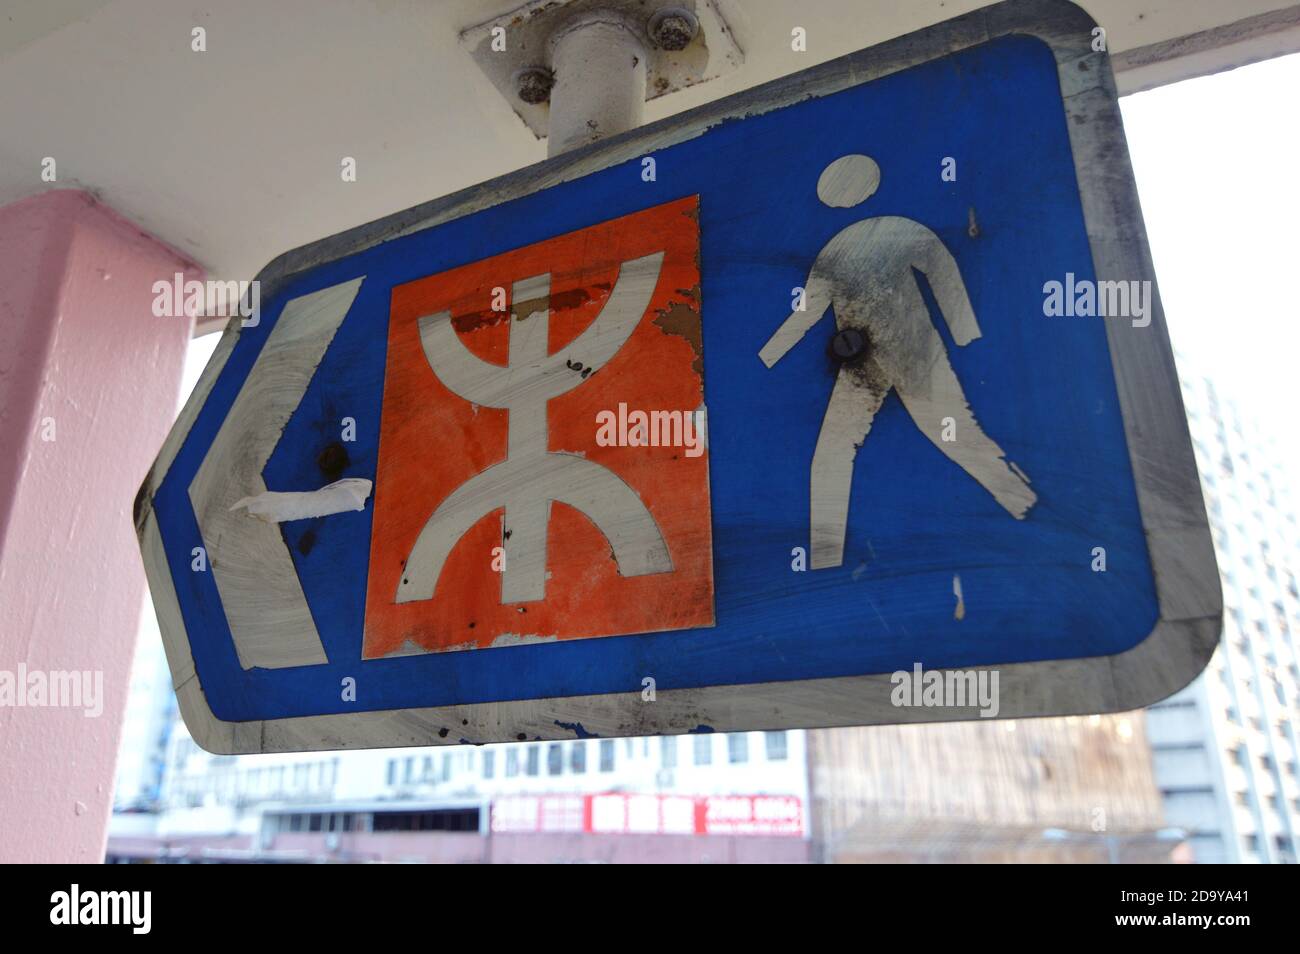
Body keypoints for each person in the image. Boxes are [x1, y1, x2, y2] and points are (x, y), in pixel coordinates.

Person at [759, 154, 1036, 570]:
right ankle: (824, 558)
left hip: (913, 352)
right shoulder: (843, 248)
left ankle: (1026, 505)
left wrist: (965, 329)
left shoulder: (887, 233)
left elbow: (941, 267)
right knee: (836, 451)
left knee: (949, 433)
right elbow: (809, 311)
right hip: (861, 366)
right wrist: (768, 356)